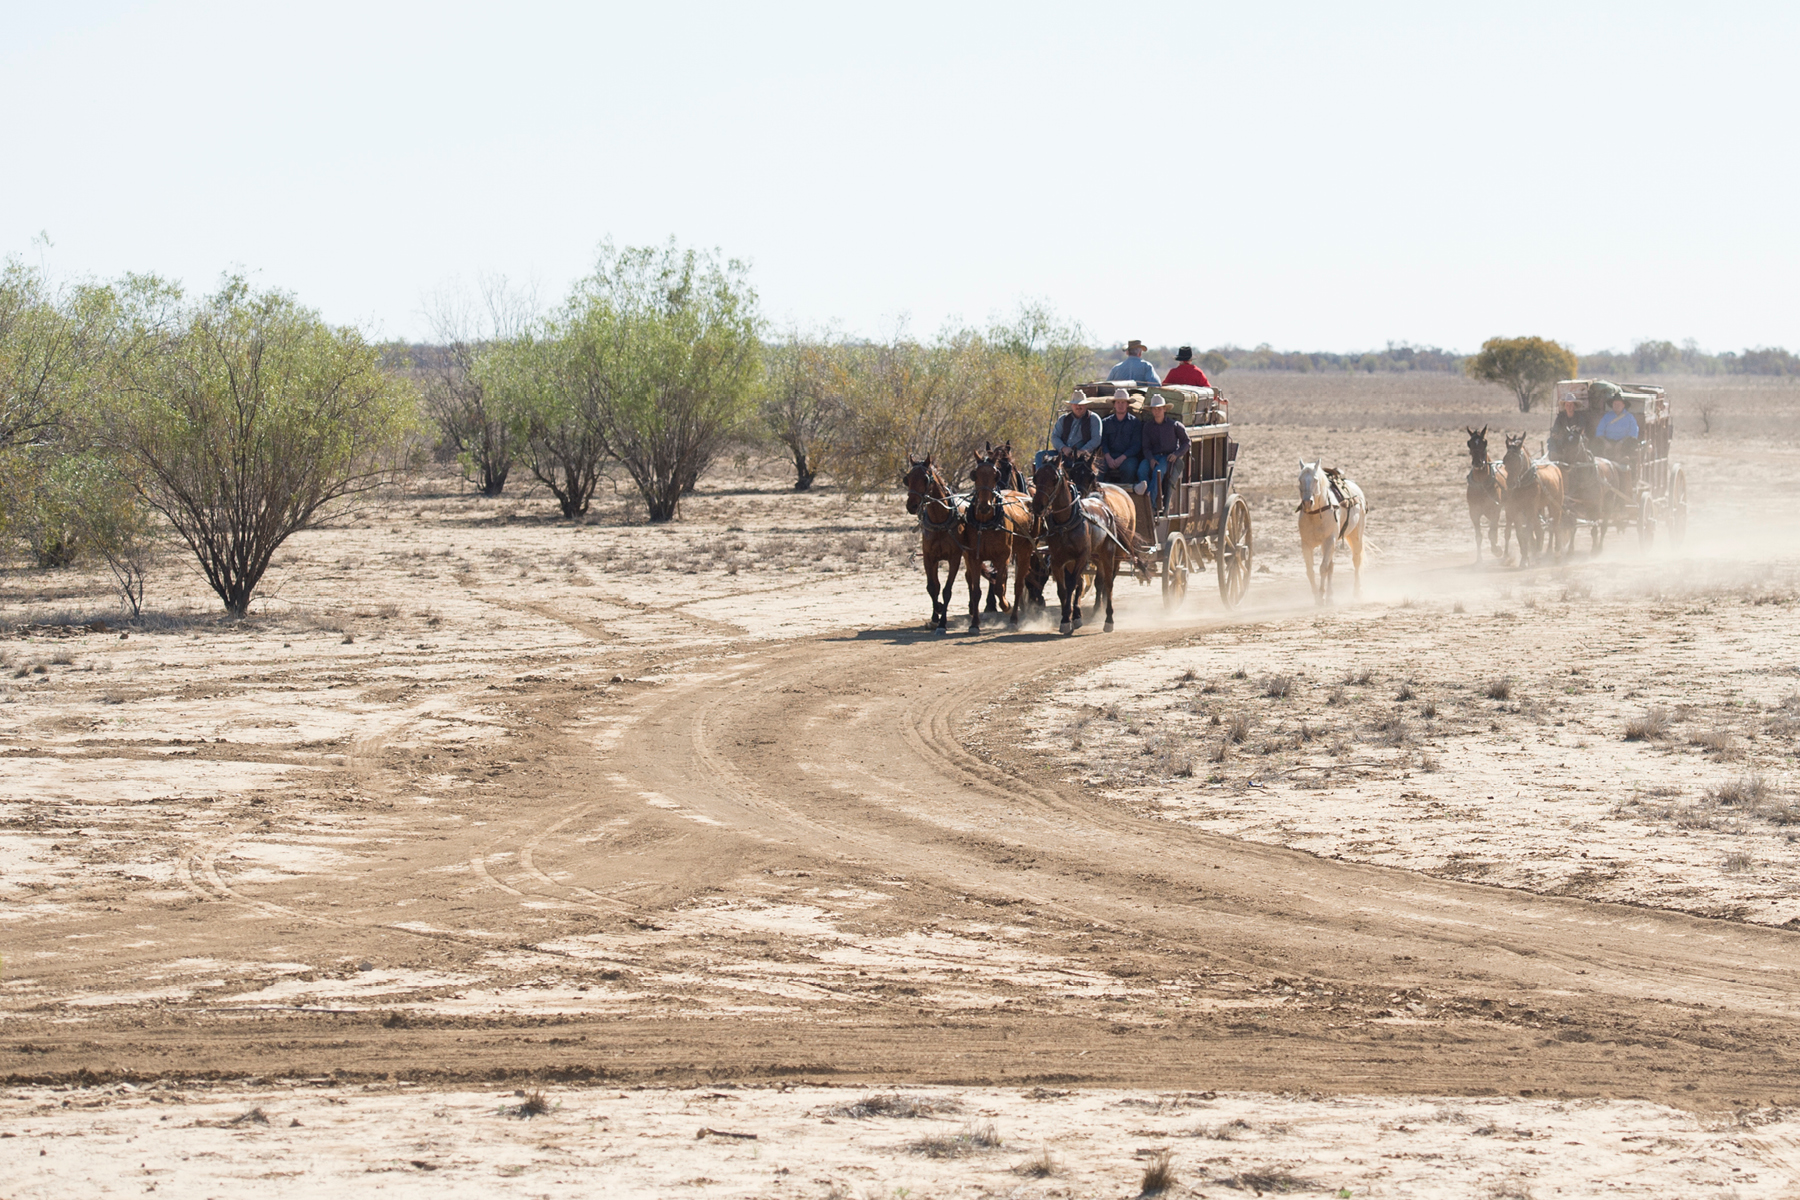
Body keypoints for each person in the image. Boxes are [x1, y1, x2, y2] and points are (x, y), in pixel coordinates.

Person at [1140, 393, 1190, 510]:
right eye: (1154, 409)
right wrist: (1150, 459)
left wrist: (1176, 454)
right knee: (1141, 470)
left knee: (1158, 472)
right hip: (1152, 457)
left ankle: (1151, 504)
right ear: (1151, 411)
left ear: (1164, 409)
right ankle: (1146, 494)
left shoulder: (1175, 425)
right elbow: (1146, 447)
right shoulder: (1147, 427)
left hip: (1167, 458)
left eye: (1159, 408)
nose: (1157, 411)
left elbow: (1186, 442)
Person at [1097, 388, 1148, 493]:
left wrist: (1122, 458)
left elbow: (1136, 445)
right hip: (1108, 456)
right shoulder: (1106, 422)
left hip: (1127, 457)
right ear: (1114, 404)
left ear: (1127, 404)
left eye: (1123, 402)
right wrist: (1108, 457)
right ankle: (1096, 493)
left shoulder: (1135, 423)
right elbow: (1103, 442)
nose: (1120, 405)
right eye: (1118, 402)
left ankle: (1126, 494)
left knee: (1129, 468)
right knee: (1097, 468)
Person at [1038, 391, 1102, 471]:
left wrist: (1081, 451)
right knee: (1040, 456)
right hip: (1062, 454)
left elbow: (1096, 439)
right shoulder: (1063, 419)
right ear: (1071, 405)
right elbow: (1055, 437)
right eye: (1076, 404)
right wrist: (1064, 448)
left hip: (1083, 457)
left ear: (1086, 405)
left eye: (1081, 404)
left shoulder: (1094, 419)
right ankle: (1040, 481)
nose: (1078, 407)